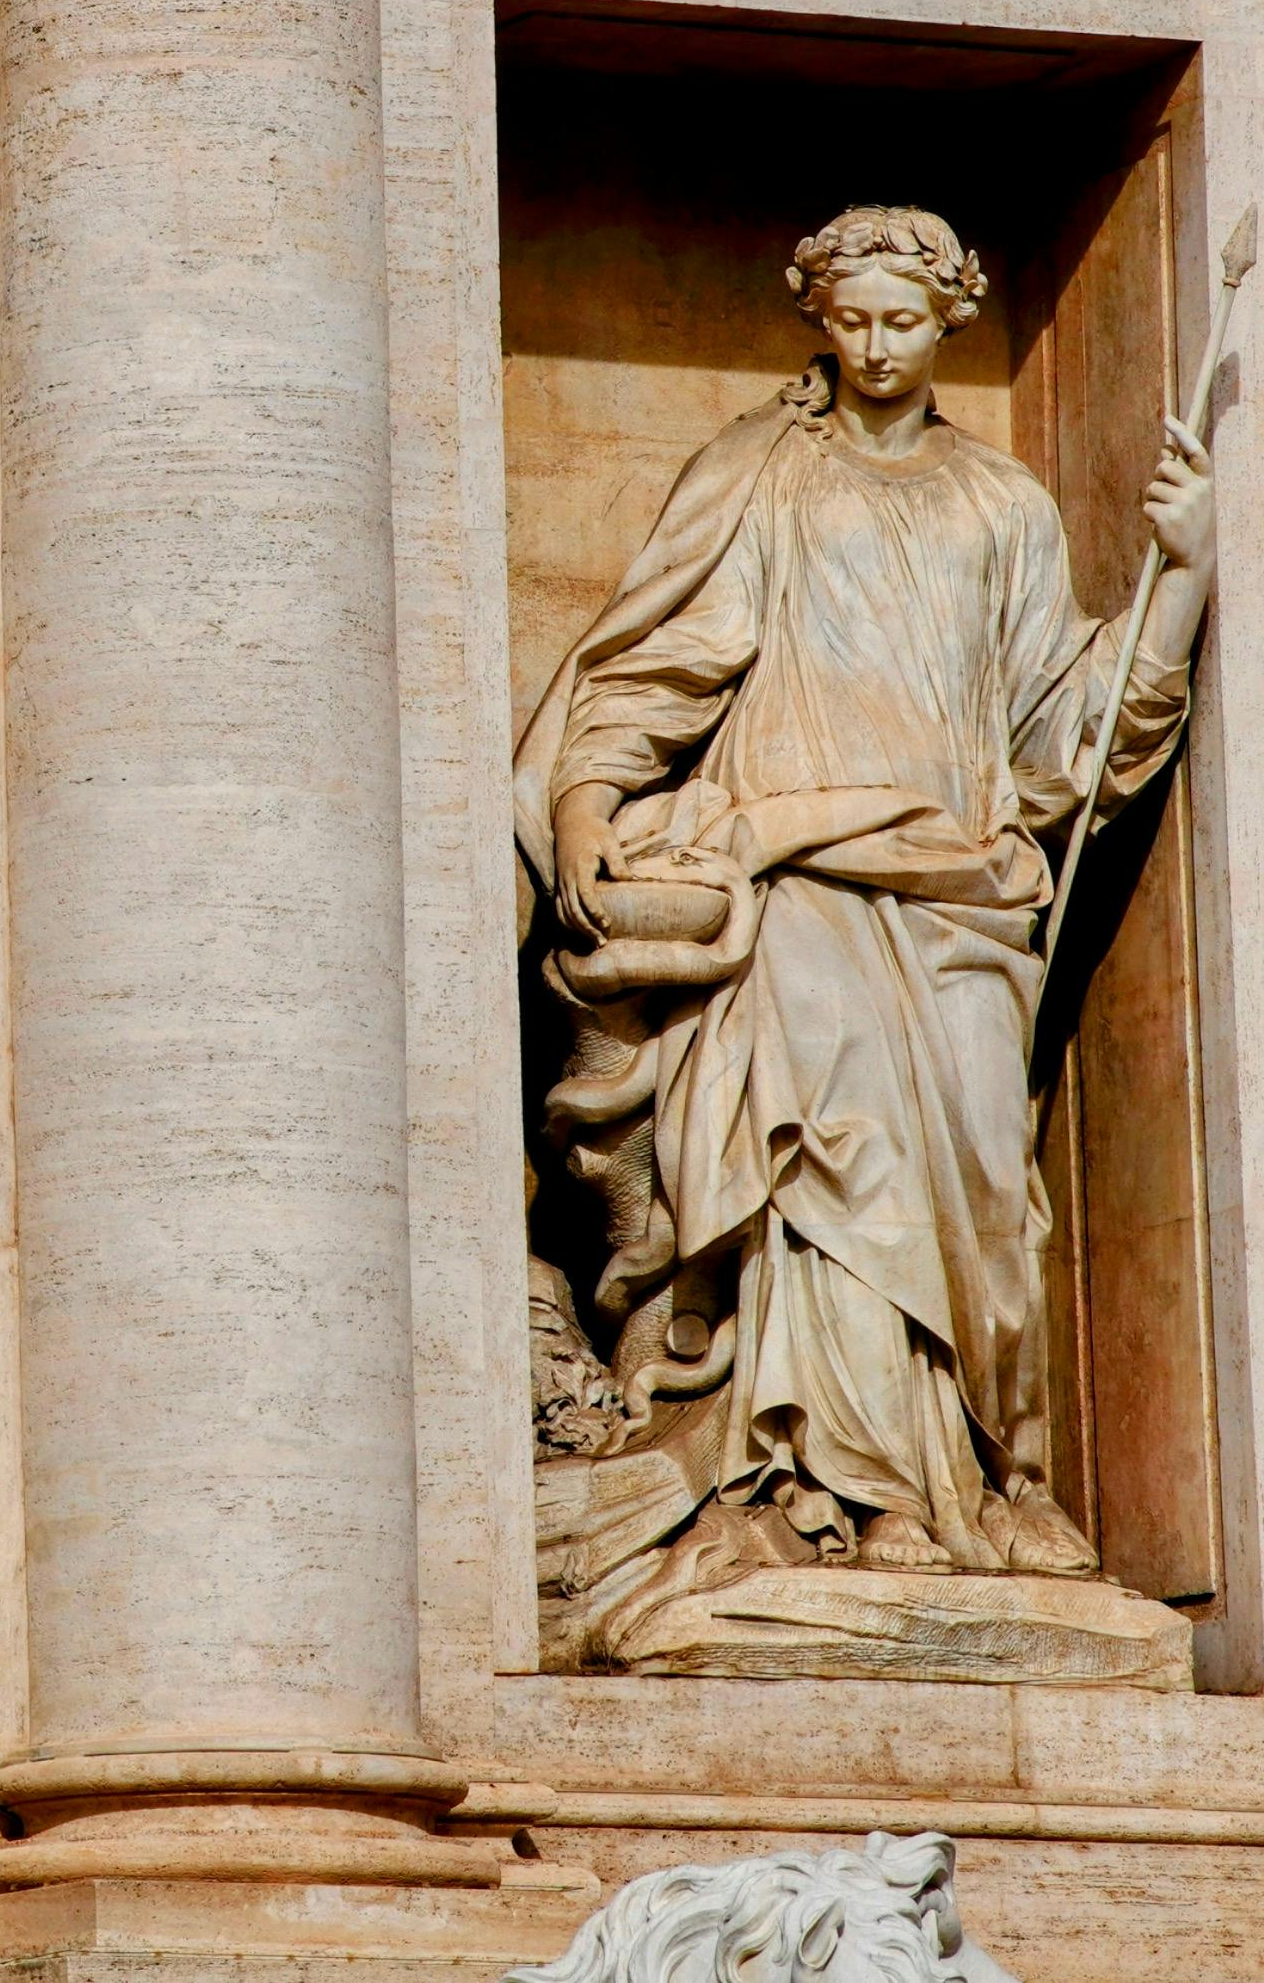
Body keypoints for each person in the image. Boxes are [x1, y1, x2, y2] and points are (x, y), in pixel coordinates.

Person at [511, 204, 1210, 1590]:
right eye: (852, 322)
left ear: (950, 320)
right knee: (827, 1162)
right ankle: (821, 1483)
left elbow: (1072, 732)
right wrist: (590, 808)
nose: (878, 348)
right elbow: (651, 671)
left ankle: (960, 1482)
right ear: (816, 321)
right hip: (798, 884)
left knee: (979, 1207)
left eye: (905, 321)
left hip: (957, 895)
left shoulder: (1000, 503)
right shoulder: (758, 471)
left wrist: (1182, 574)